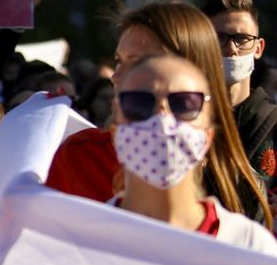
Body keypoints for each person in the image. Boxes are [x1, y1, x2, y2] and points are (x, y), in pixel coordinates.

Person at [47, 1, 271, 229]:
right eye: (119, 61)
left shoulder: (242, 189)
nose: (117, 76)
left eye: (139, 64)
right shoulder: (80, 158)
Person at [110, 54, 277, 254]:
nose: (162, 117)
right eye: (139, 103)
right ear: (115, 133)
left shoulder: (250, 246)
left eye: (184, 104)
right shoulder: (80, 241)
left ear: (208, 137)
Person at [201, 0, 277, 195]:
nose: (232, 49)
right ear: (204, 45)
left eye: (242, 39)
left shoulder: (273, 121)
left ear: (258, 48)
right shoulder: (187, 120)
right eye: (220, 38)